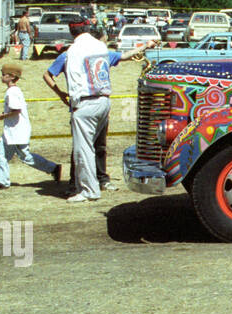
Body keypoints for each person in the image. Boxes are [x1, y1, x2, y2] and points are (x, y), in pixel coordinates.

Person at [43, 17, 153, 203]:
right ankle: (89, 183)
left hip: (85, 103)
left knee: (83, 150)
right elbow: (123, 56)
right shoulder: (101, 48)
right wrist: (146, 46)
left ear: (72, 33)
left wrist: (60, 93)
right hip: (104, 100)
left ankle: (88, 190)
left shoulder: (71, 52)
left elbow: (48, 74)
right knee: (96, 146)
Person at [0, 64, 62, 190]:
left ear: (11, 77)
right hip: (16, 130)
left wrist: (3, 116)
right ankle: (53, 168)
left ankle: (2, 182)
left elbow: (16, 110)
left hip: (15, 131)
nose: (1, 77)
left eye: (3, 74)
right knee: (24, 156)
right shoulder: (14, 91)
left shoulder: (12, 92)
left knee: (3, 156)